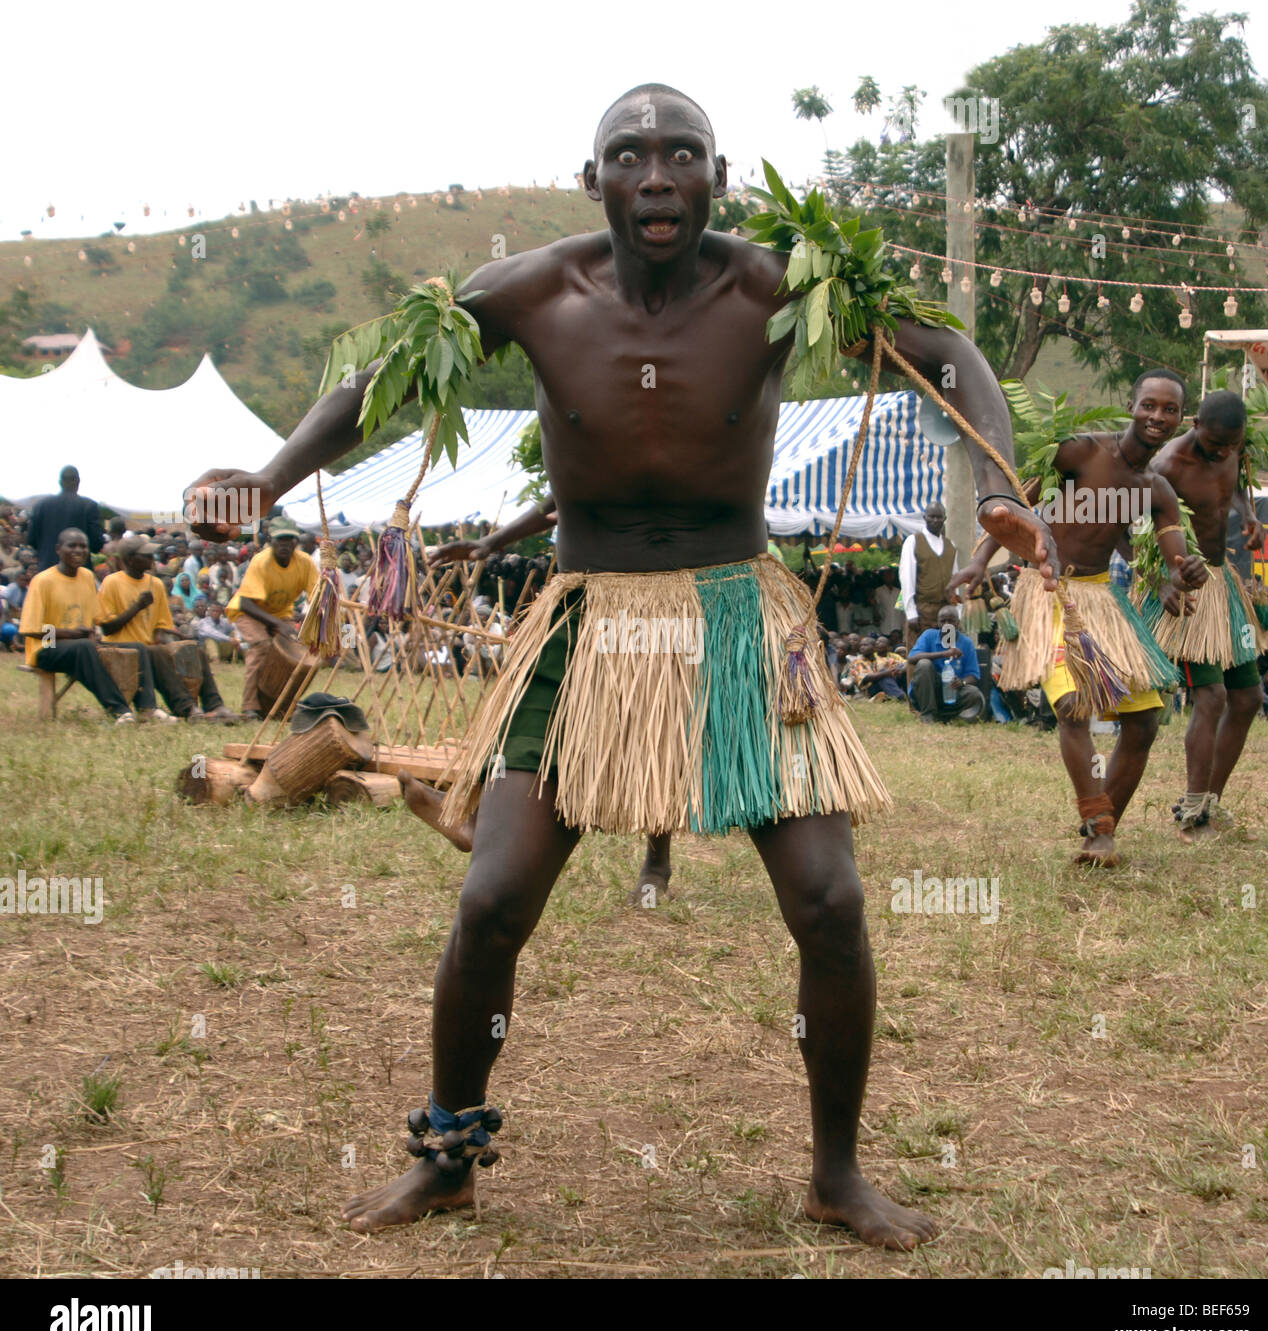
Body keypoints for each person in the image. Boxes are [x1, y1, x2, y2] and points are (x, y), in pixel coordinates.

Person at [188, 83, 1058, 1250]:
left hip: (738, 618)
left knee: (831, 903)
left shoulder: (774, 290)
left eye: (681, 155)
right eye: (630, 156)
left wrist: (998, 483)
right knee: (492, 900)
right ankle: (447, 1157)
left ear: (719, 174)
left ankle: (837, 1175)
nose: (656, 175)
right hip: (586, 623)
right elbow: (377, 381)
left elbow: (945, 351)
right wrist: (269, 477)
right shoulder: (532, 291)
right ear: (592, 177)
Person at [953, 369, 1206, 865]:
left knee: (1146, 721)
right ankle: (1098, 828)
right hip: (1046, 589)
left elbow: (1172, 554)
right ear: (1132, 404)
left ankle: (1102, 823)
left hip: (1100, 596)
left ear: (1181, 419)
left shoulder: (1156, 489)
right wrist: (981, 561)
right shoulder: (1079, 451)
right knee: (1071, 705)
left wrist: (1183, 575)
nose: (1158, 416)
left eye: (1169, 409)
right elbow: (1015, 501)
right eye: (1149, 405)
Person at [1141, 391, 1264, 839]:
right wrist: (1162, 582)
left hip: (1224, 586)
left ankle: (1210, 801)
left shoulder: (1233, 446)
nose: (1223, 452)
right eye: (1215, 444)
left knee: (1248, 697)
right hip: (1188, 592)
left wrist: (1249, 514)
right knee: (1211, 697)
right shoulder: (1167, 467)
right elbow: (1135, 532)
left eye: (1232, 444)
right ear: (1195, 424)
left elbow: (1233, 489)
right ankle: (1192, 817)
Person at [97, 536, 238, 723]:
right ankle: (186, 708)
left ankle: (214, 705)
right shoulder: (112, 582)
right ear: (129, 559)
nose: (151, 559)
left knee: (195, 650)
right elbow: (107, 628)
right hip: (121, 648)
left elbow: (160, 627)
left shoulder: (155, 584)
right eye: (145, 555)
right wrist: (136, 607)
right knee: (156, 653)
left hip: (149, 646)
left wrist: (171, 644)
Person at [18, 529, 134, 722]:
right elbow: (31, 629)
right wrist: (70, 634)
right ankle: (119, 710)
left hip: (80, 647)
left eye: (83, 546)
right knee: (83, 646)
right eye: (72, 545)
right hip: (45, 649)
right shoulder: (43, 580)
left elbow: (93, 619)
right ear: (58, 549)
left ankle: (148, 708)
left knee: (134, 647)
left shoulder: (87, 577)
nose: (78, 550)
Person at [225, 518, 318, 719]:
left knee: (295, 653)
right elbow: (245, 603)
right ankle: (250, 706)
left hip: (279, 613)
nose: (285, 545)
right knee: (261, 645)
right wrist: (277, 625)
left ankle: (280, 706)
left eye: (289, 540)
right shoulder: (261, 562)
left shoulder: (305, 563)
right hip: (249, 612)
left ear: (296, 542)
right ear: (271, 541)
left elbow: (317, 596)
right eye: (280, 540)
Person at [907, 605, 984, 722]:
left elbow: (973, 675)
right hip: (930, 688)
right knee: (924, 664)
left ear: (957, 623)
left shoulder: (966, 643)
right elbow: (912, 659)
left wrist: (962, 682)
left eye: (951, 621)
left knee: (974, 694)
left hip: (952, 690)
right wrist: (945, 653)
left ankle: (943, 716)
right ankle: (928, 715)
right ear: (938, 623)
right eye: (943, 621)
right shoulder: (929, 635)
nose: (947, 624)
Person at [900, 504, 957, 659]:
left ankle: (947, 683)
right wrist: (911, 611)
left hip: (946, 612)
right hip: (922, 610)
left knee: (948, 652)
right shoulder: (913, 541)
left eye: (939, 517)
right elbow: (907, 577)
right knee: (919, 656)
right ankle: (916, 684)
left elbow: (955, 579)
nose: (935, 520)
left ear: (945, 519)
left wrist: (957, 610)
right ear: (924, 517)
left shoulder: (951, 546)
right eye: (931, 516)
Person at [27, 467, 106, 571]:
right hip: (77, 571)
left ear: (60, 482)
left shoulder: (41, 505)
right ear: (78, 481)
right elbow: (96, 544)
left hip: (47, 568)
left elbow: (31, 540)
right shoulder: (89, 506)